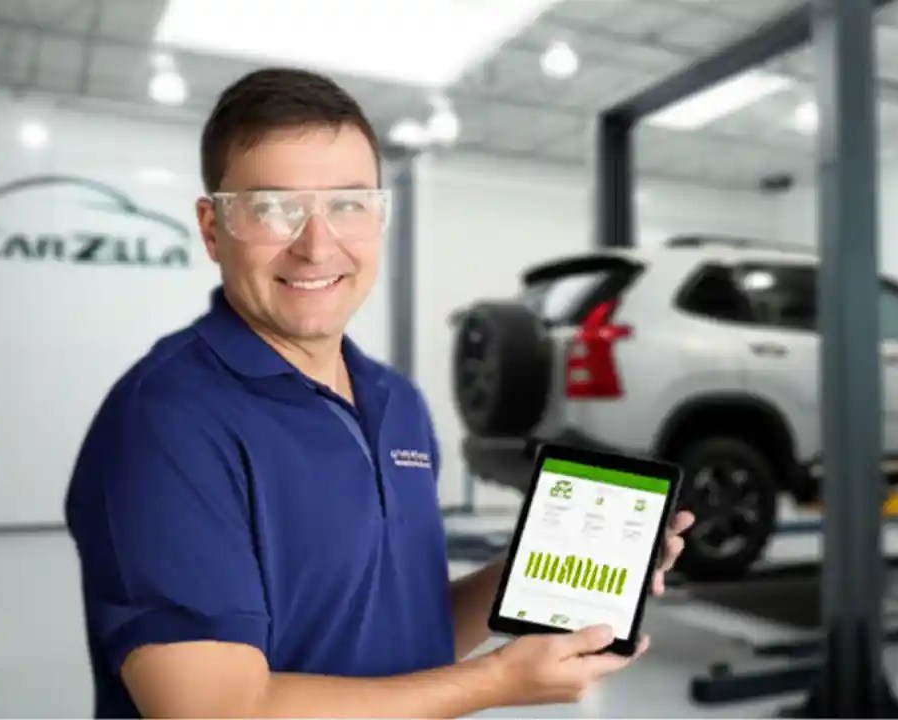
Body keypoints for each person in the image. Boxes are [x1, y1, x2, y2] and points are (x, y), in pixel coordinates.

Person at [64, 67, 694, 718]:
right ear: (212, 228)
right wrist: (499, 682)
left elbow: (406, 639)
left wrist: (535, 571)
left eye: (347, 204)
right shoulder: (166, 422)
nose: (316, 246)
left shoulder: (394, 404)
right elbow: (218, 709)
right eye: (273, 208)